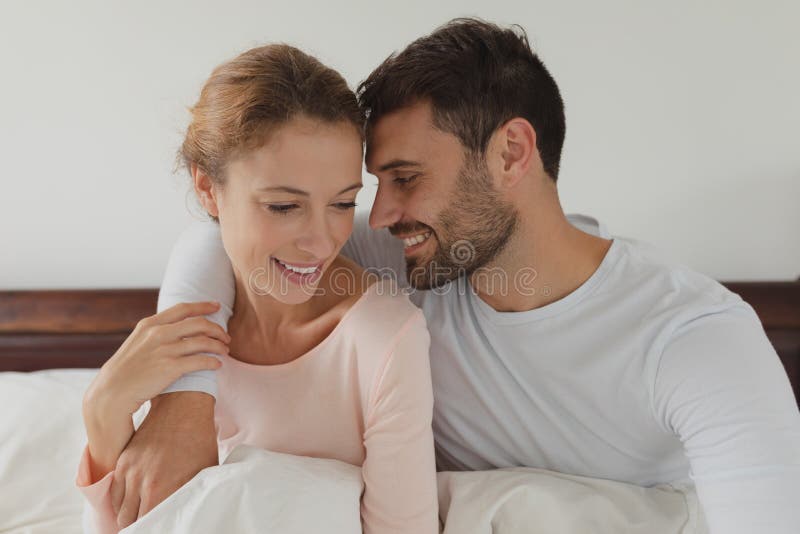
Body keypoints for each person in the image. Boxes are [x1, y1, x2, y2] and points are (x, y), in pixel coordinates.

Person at [112, 18, 800, 534]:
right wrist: (186, 397)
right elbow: (220, 239)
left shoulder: (695, 341)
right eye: (370, 189)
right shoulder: (412, 261)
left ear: (511, 152)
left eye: (405, 179)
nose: (377, 216)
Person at [75, 44, 438, 534]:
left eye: (341, 204)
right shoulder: (181, 334)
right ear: (207, 189)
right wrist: (102, 415)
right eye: (284, 207)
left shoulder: (386, 340)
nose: (321, 242)